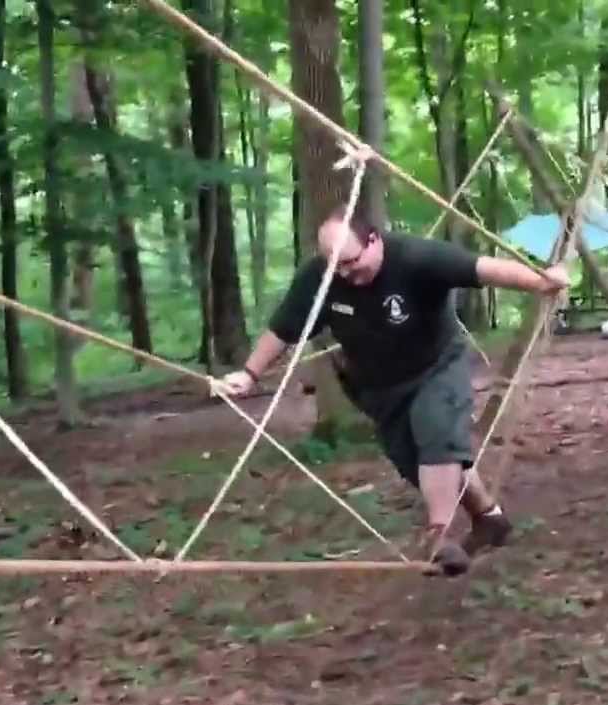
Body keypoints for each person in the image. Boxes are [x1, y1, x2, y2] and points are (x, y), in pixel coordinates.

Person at [216, 205, 570, 576]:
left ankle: (438, 539)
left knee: (436, 431)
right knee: (420, 460)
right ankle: (488, 517)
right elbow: (283, 329)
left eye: (351, 262)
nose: (345, 273)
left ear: (374, 241)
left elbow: (482, 269)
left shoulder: (416, 257)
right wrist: (249, 373)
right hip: (378, 387)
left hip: (436, 367)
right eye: (336, 265)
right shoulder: (321, 277)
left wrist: (541, 281)